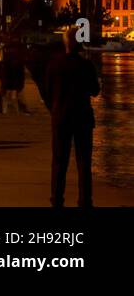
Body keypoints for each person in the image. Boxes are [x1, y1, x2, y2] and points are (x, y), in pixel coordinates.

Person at [43, 27, 101, 207]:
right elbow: (95, 91)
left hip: (61, 117)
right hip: (82, 117)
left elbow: (46, 91)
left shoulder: (54, 64)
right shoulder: (86, 65)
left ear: (66, 43)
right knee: (84, 163)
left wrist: (54, 108)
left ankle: (57, 199)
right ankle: (85, 201)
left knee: (59, 162)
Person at [0, 37, 29, 114]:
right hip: (13, 78)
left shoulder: (9, 54)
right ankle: (19, 109)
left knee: (8, 94)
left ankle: (5, 109)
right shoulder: (16, 55)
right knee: (14, 94)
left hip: (11, 77)